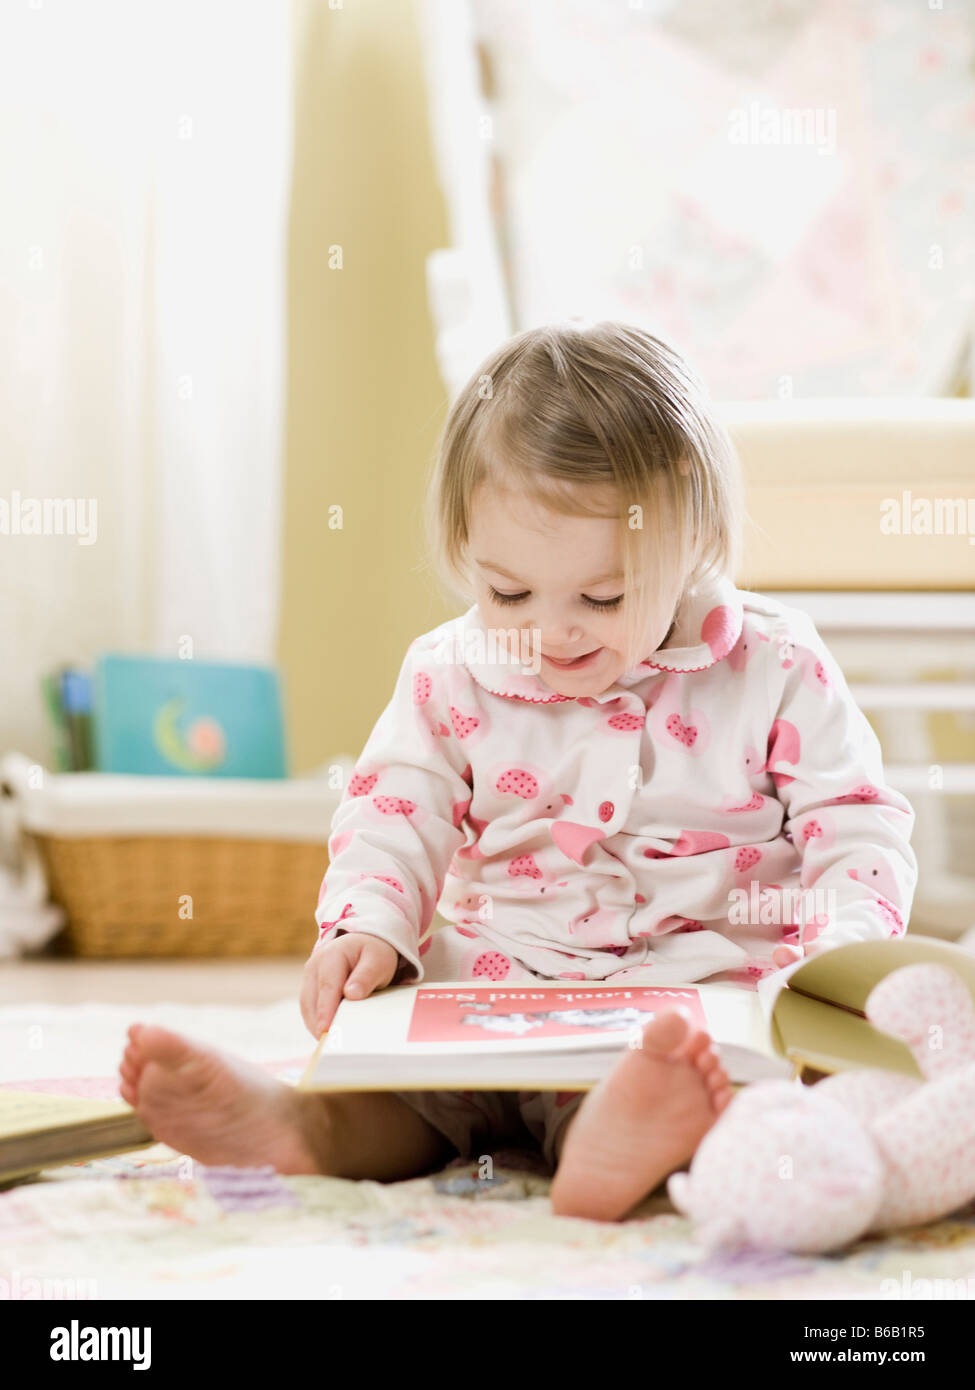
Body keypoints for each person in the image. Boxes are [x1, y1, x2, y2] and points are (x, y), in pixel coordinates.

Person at [118, 321, 917, 1222]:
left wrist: (842, 949)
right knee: (410, 1097)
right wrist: (368, 927)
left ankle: (618, 1142)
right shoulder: (447, 672)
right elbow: (393, 812)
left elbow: (854, 823)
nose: (551, 630)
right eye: (508, 593)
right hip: (490, 986)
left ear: (692, 536)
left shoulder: (774, 664)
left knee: (723, 1096)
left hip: (700, 992)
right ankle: (303, 1131)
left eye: (602, 597)